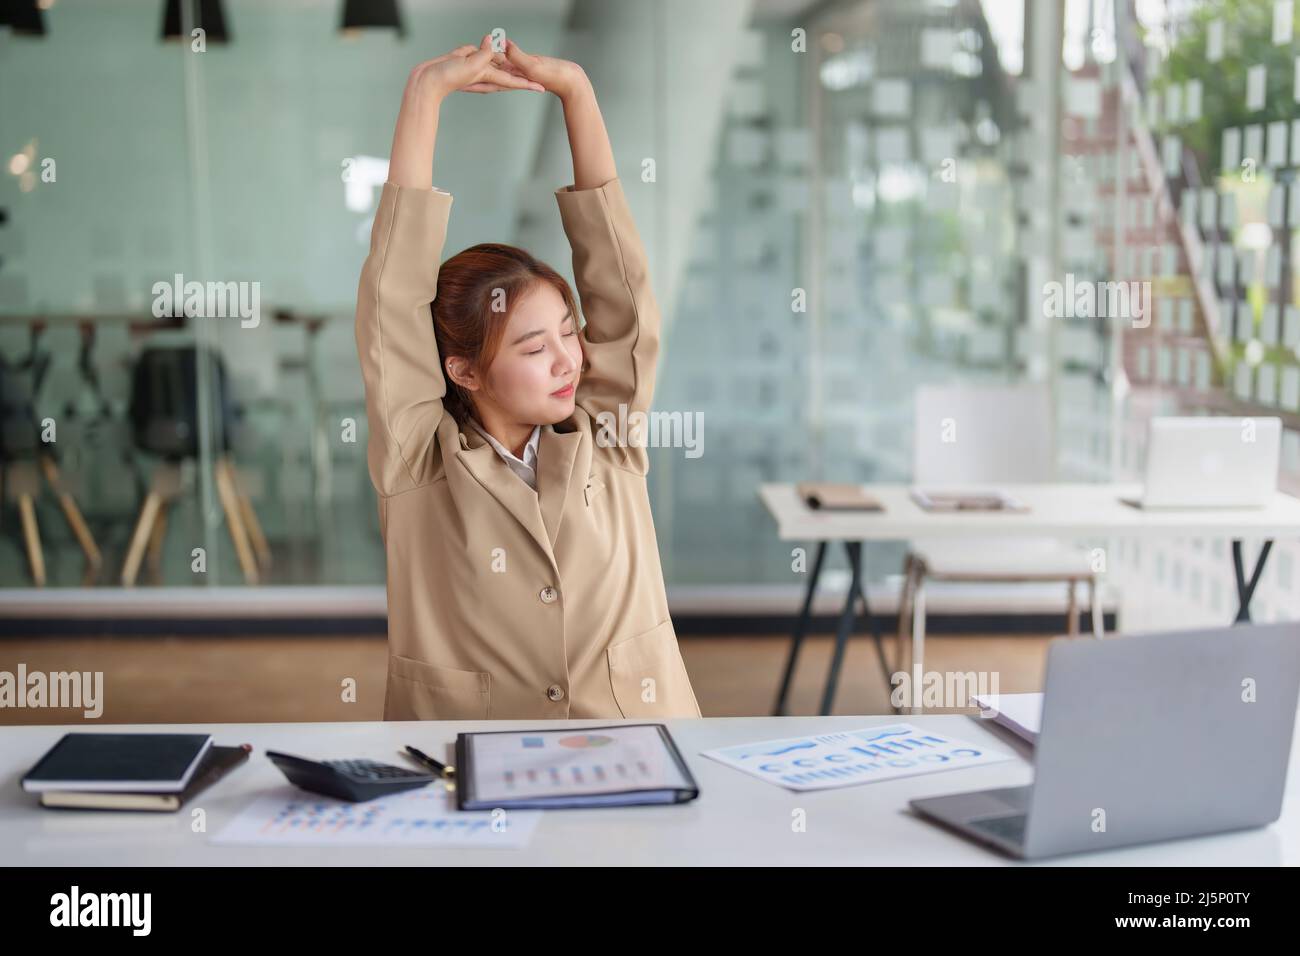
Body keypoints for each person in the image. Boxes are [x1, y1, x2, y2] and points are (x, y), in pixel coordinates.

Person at [355, 35, 702, 721]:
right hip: (470, 755)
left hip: (632, 742)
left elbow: (624, 299)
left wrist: (576, 92)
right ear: (463, 369)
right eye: (535, 347)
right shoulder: (419, 460)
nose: (570, 360)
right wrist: (424, 94)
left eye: (570, 335)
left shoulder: (609, 433)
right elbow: (393, 304)